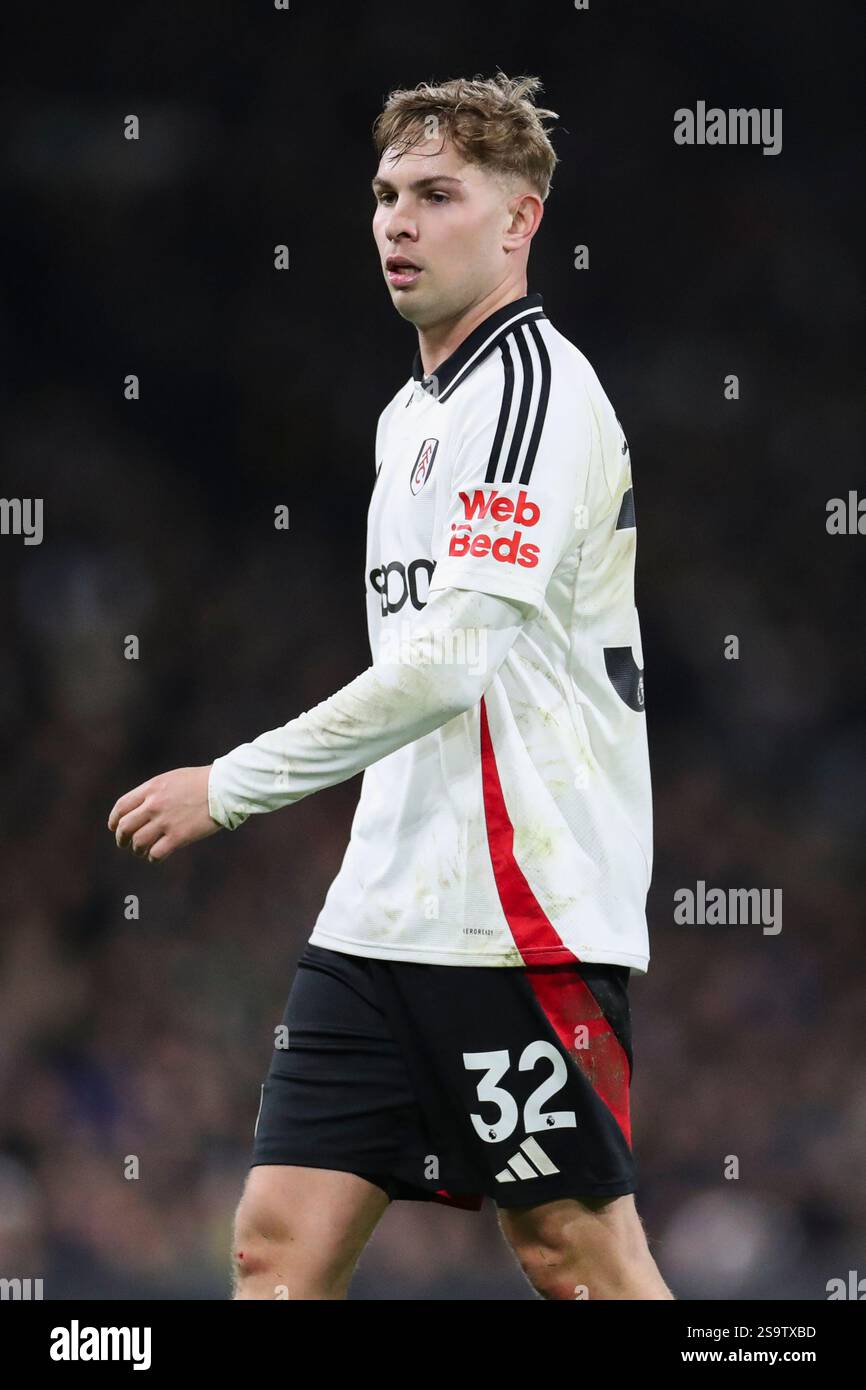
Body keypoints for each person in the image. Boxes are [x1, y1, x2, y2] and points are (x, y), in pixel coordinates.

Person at [108, 72, 672, 1301]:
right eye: (381, 195)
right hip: (381, 913)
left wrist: (235, 783)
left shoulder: (532, 392)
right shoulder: (405, 416)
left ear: (519, 221)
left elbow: (451, 661)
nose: (394, 222)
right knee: (274, 1245)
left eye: (434, 195)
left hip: (519, 912)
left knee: (574, 1255)